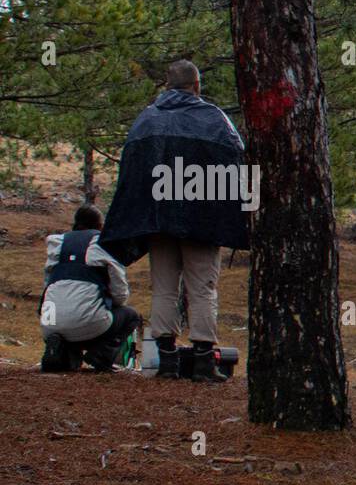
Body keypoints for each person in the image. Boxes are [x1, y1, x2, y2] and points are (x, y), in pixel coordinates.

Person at [100, 59, 248, 382]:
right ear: (196, 85)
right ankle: (204, 361)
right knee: (203, 288)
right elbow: (239, 162)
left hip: (159, 220)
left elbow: (133, 172)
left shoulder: (147, 120)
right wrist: (238, 216)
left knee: (164, 288)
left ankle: (166, 361)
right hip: (203, 221)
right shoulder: (216, 120)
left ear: (168, 86)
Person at [40, 205, 141, 373]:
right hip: (90, 326)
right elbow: (120, 294)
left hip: (50, 323)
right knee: (130, 316)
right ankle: (101, 354)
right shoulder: (104, 244)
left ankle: (62, 351)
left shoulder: (57, 244)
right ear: (100, 225)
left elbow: (47, 285)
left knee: (69, 323)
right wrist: (108, 303)